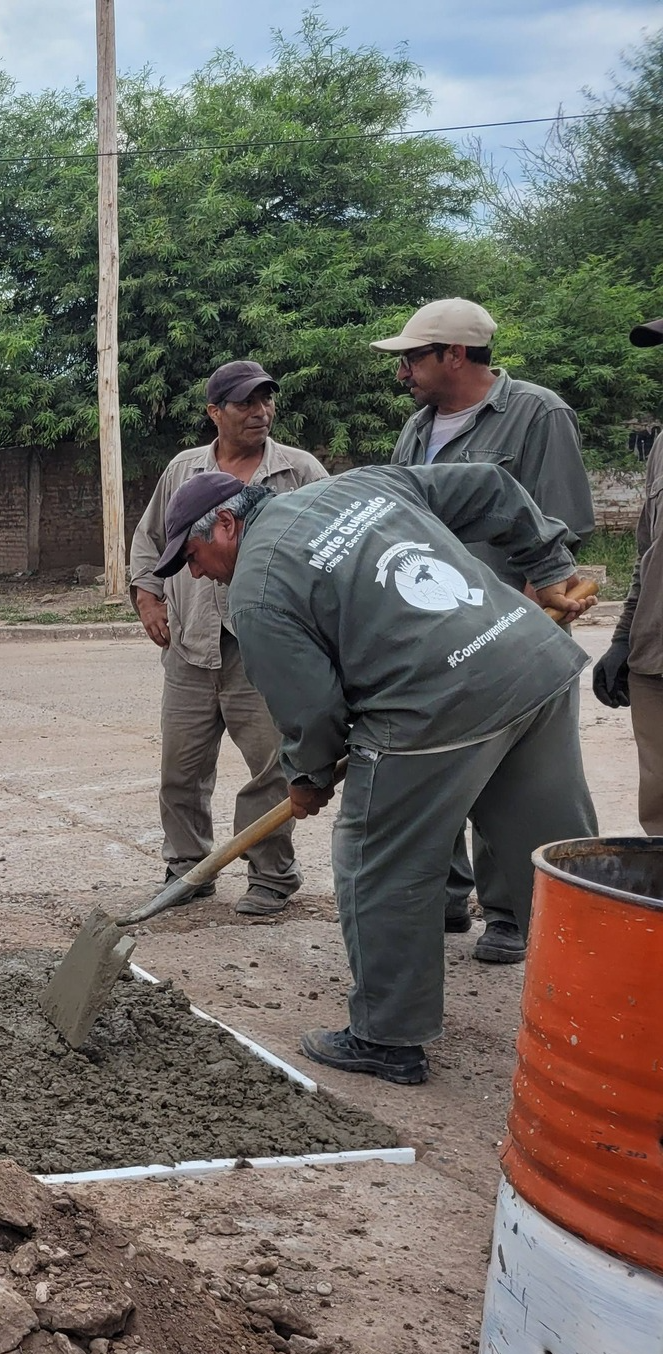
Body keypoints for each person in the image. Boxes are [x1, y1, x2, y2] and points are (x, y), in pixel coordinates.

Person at [146, 464, 597, 1086]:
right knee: (555, 862)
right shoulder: (360, 485)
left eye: (192, 557)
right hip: (527, 661)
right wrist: (547, 563)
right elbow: (491, 486)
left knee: (378, 862)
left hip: (430, 707)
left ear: (226, 523)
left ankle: (388, 1037)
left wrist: (306, 777)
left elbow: (310, 710)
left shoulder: (257, 587)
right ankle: (604, 1023)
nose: (195, 574)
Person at [375, 297, 595, 961]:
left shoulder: (537, 413)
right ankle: (445, 898)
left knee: (513, 778)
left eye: (412, 358)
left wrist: (518, 627)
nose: (403, 371)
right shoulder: (417, 429)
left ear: (454, 354)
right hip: (433, 631)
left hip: (513, 633)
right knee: (436, 762)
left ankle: (507, 913)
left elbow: (559, 528)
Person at [128, 360, 328, 916]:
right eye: (245, 403)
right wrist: (148, 599)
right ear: (215, 412)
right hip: (190, 645)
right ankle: (187, 869)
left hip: (263, 649)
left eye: (267, 400)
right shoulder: (183, 471)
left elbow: (328, 546)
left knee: (271, 768)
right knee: (181, 769)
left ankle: (271, 875)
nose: (261, 412)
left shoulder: (299, 471)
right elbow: (149, 540)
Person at [592, 313, 663, 831]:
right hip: (655, 661)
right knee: (659, 811)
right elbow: (646, 553)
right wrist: (622, 639)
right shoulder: (662, 445)